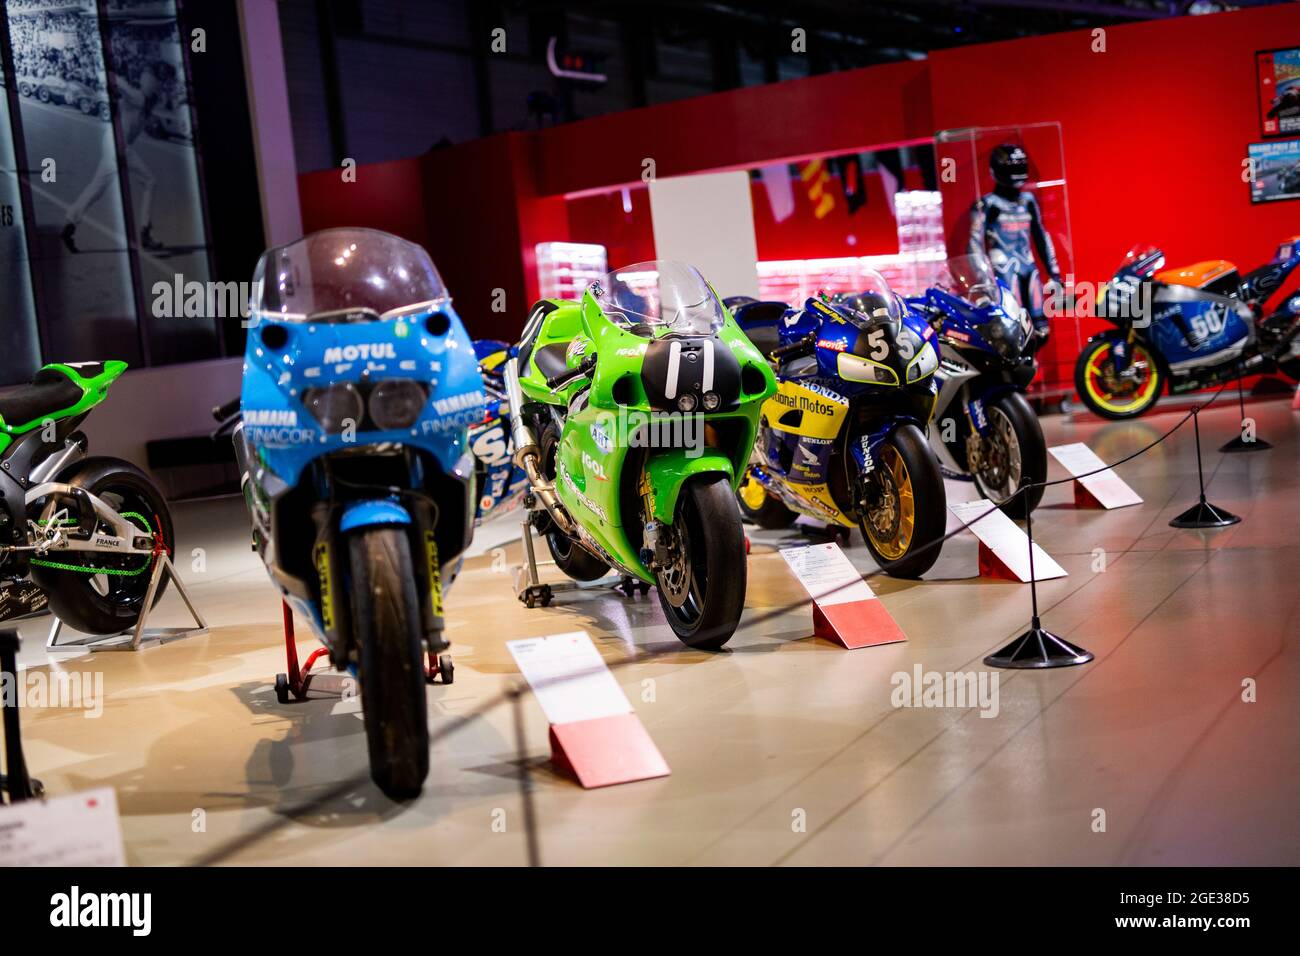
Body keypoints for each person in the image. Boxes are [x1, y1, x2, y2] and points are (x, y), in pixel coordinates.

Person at [61, 62, 172, 254]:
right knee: (149, 181)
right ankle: (145, 232)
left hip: (113, 142)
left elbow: (144, 110)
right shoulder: (138, 96)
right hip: (118, 144)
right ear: (151, 83)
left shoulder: (149, 100)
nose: (162, 85)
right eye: (160, 81)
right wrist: (108, 77)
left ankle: (69, 226)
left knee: (97, 188)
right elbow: (120, 83)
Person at [968, 143, 1061, 345]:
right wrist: (984, 280)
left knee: (1041, 329)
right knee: (1013, 327)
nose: (1016, 173)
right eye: (1011, 168)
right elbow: (974, 244)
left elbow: (1041, 235)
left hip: (1030, 268)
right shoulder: (987, 204)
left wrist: (1055, 273)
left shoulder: (1028, 200)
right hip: (1004, 271)